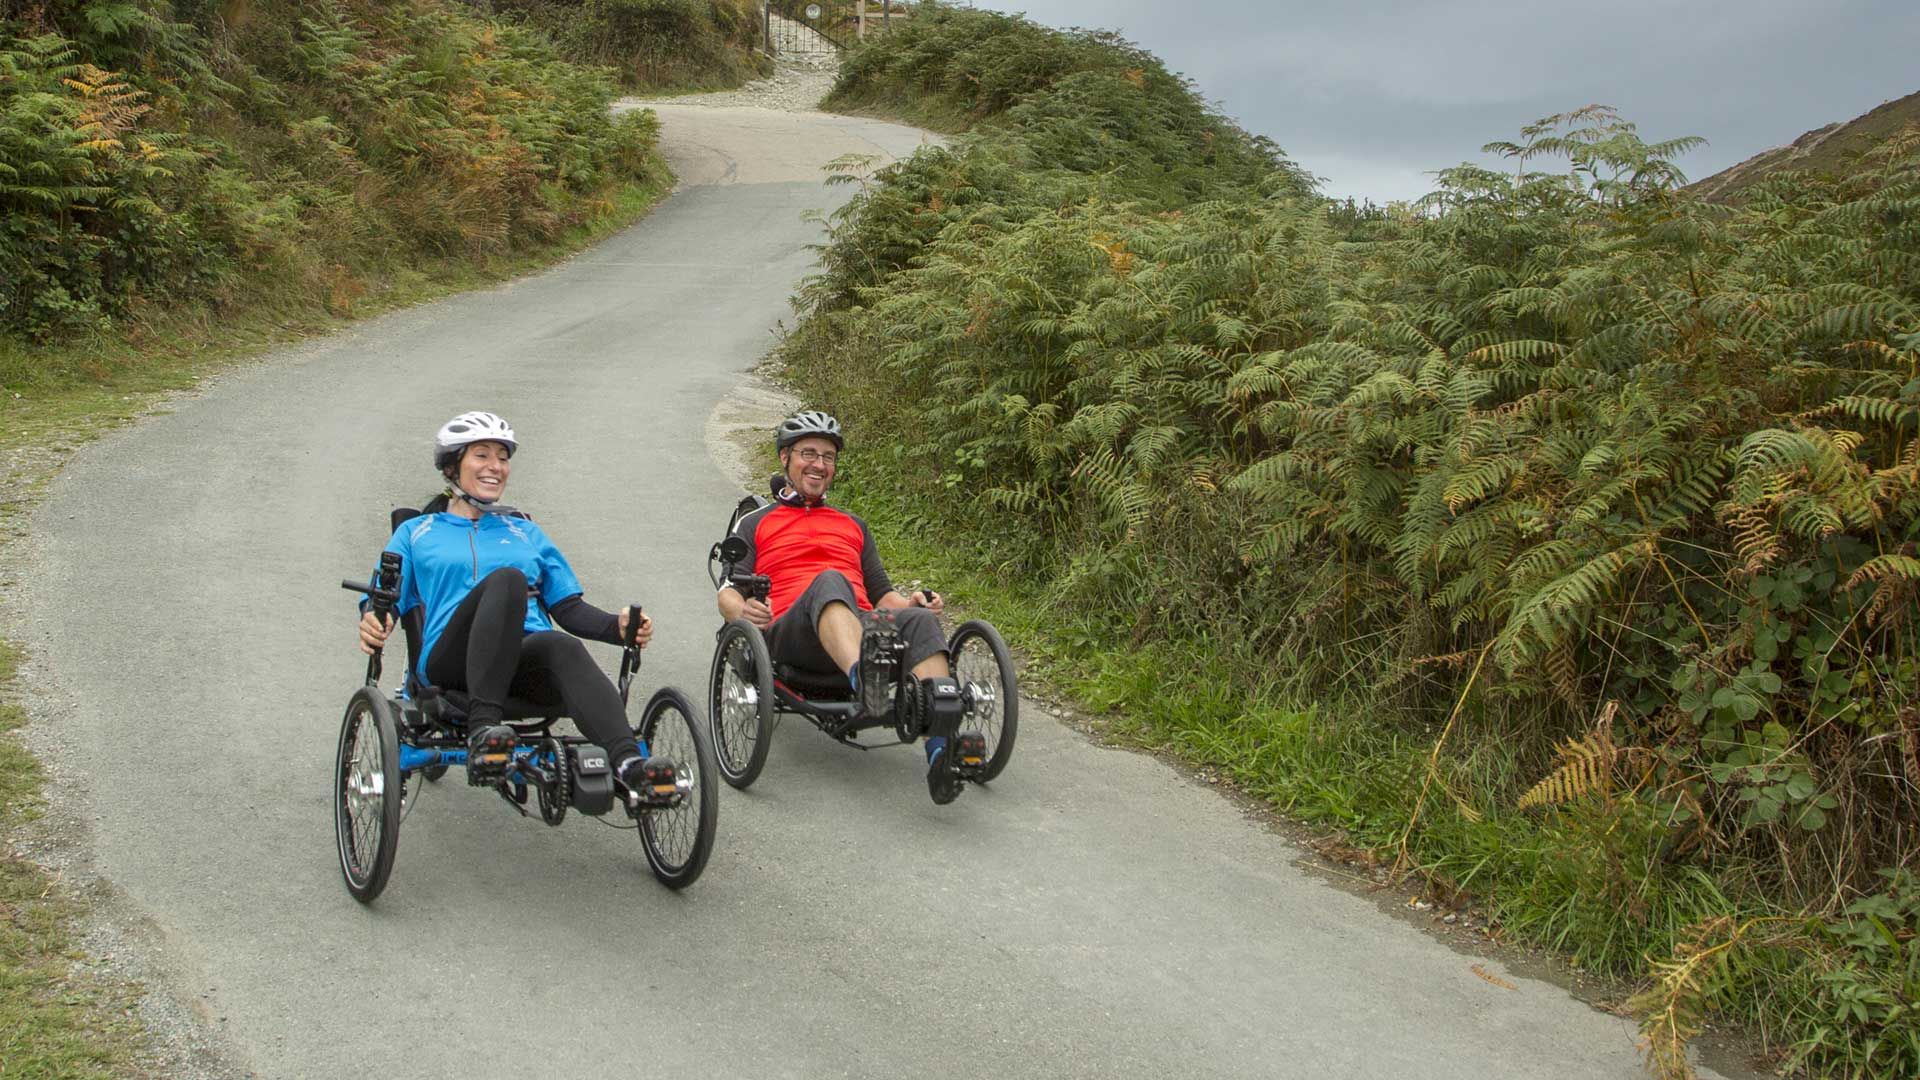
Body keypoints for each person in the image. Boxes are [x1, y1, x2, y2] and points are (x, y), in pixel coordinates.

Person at [356, 410, 675, 795]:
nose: (496, 467)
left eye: (503, 458)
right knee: (507, 580)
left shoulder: (525, 532)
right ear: (453, 466)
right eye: (483, 455)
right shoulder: (417, 531)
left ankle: (629, 764)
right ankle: (484, 731)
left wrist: (617, 627)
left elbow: (568, 608)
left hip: (523, 666)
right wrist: (376, 617)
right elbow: (382, 597)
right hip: (452, 664)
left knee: (560, 643)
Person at [716, 410, 986, 804]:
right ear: (785, 458)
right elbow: (726, 591)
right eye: (809, 453)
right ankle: (867, 680)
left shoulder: (853, 524)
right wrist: (741, 610)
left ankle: (941, 752)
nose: (819, 465)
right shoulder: (756, 522)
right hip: (794, 630)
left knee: (918, 621)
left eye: (828, 457)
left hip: (859, 623)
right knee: (829, 580)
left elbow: (882, 596)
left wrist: (911, 605)